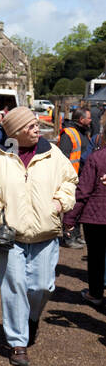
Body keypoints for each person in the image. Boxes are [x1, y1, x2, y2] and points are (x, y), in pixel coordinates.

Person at [0, 107, 77, 366]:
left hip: (45, 234)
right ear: (15, 133)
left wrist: (59, 203)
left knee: (42, 287)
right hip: (11, 237)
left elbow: (69, 181)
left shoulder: (53, 154)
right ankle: (18, 342)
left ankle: (31, 318)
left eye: (35, 125)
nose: (36, 129)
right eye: (30, 126)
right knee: (14, 287)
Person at [63, 115, 106, 309]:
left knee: (96, 258)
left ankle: (95, 293)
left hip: (95, 218)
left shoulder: (96, 158)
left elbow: (83, 192)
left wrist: (70, 220)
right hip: (95, 215)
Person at [57, 107, 92, 247]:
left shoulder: (83, 132)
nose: (91, 120)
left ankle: (77, 235)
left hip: (81, 176)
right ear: (81, 119)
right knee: (70, 208)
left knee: (78, 207)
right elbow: (63, 156)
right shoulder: (69, 133)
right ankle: (68, 237)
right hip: (71, 177)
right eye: (89, 118)